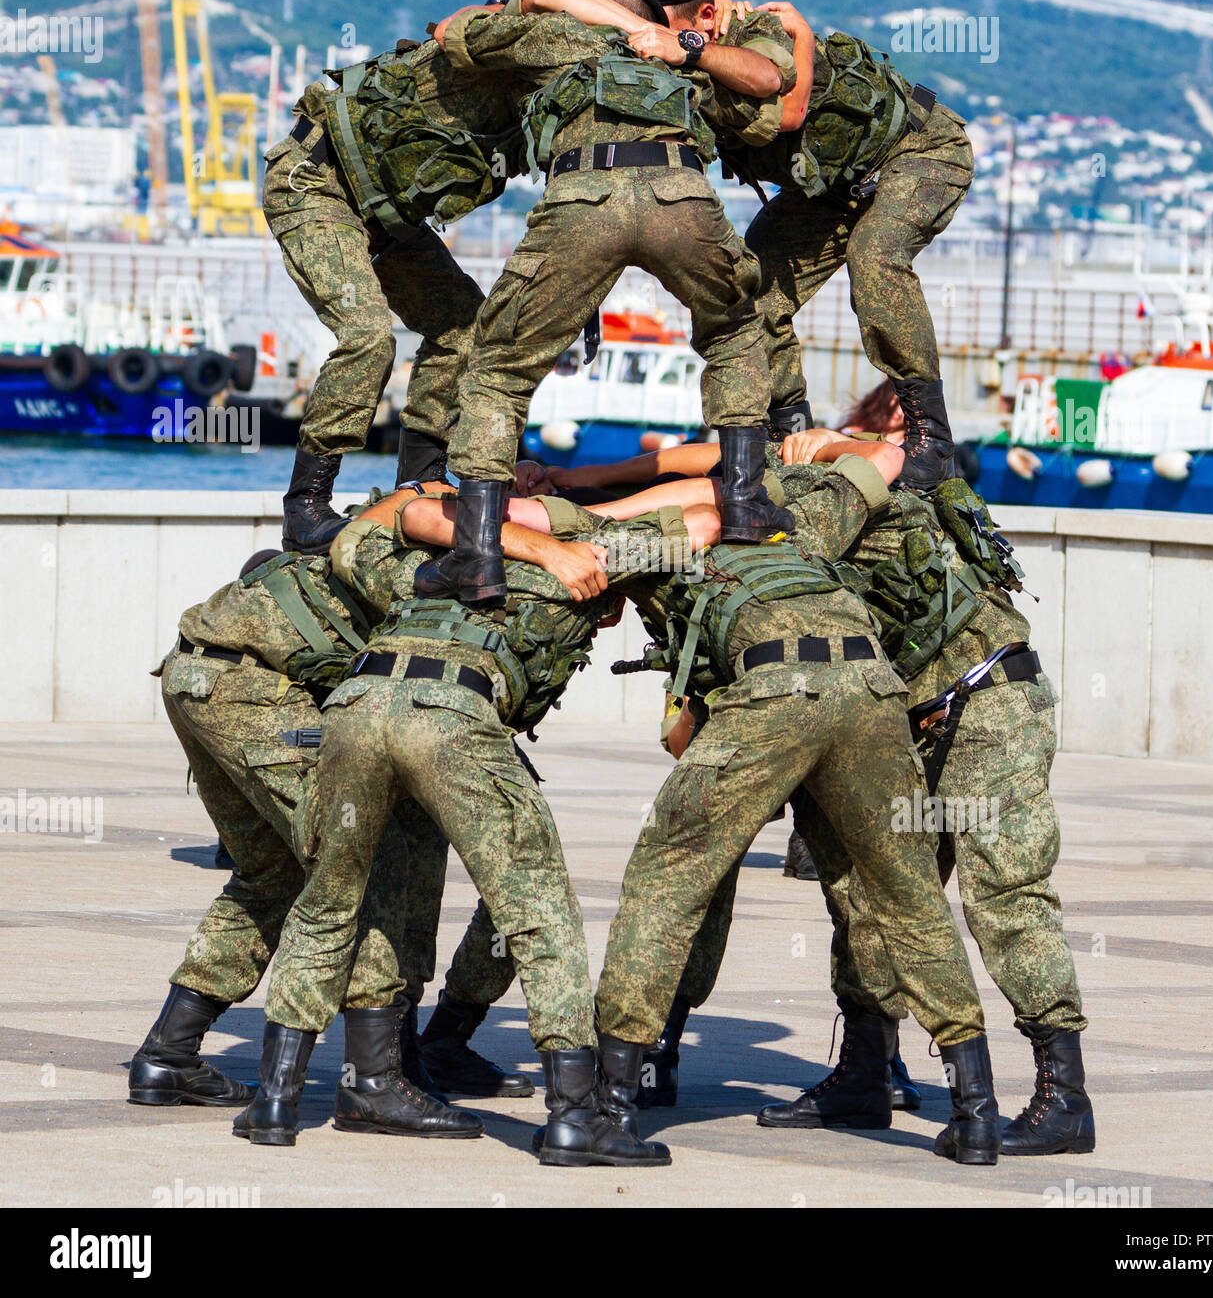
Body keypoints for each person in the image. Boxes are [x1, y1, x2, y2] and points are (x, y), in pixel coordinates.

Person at [233, 491, 709, 1164]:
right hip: (452, 710)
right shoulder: (591, 557)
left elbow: (365, 529)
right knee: (538, 912)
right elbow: (705, 525)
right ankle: (576, 1119)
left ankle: (273, 1102)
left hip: (357, 705)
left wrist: (505, 531)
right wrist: (572, 539)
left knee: (327, 901)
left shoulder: (430, 562)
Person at [560, 450, 1003, 1166]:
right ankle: (976, 1113)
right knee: (909, 895)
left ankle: (608, 1108)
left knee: (665, 882)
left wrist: (571, 505)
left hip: (773, 688)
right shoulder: (803, 521)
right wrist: (804, 451)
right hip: (870, 686)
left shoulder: (662, 543)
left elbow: (534, 538)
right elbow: (885, 458)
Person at [427, 0, 799, 605]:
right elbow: (771, 99)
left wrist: (506, 8)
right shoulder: (684, 57)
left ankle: (480, 554)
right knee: (736, 332)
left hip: (584, 196)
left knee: (499, 368)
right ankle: (744, 504)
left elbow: (451, 34)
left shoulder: (548, 36)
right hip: (680, 192)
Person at [269, 0, 677, 552]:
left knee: (462, 327)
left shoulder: (548, 98)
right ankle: (306, 507)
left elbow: (574, 190)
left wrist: (585, 294)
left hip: (387, 217)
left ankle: (419, 483)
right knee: (366, 338)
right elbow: (505, 9)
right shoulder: (502, 40)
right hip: (317, 183)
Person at [129, 545, 483, 1136]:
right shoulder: (454, 561)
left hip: (193, 673)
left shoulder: (385, 528)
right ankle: (372, 1082)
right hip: (253, 689)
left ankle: (168, 1055)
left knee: (270, 874)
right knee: (364, 859)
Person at [713, 4, 974, 490]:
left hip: (920, 148)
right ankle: (785, 436)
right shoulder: (664, 76)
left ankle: (932, 441)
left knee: (875, 256)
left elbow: (788, 114)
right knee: (749, 284)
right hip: (833, 188)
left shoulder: (749, 40)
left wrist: (804, 34)